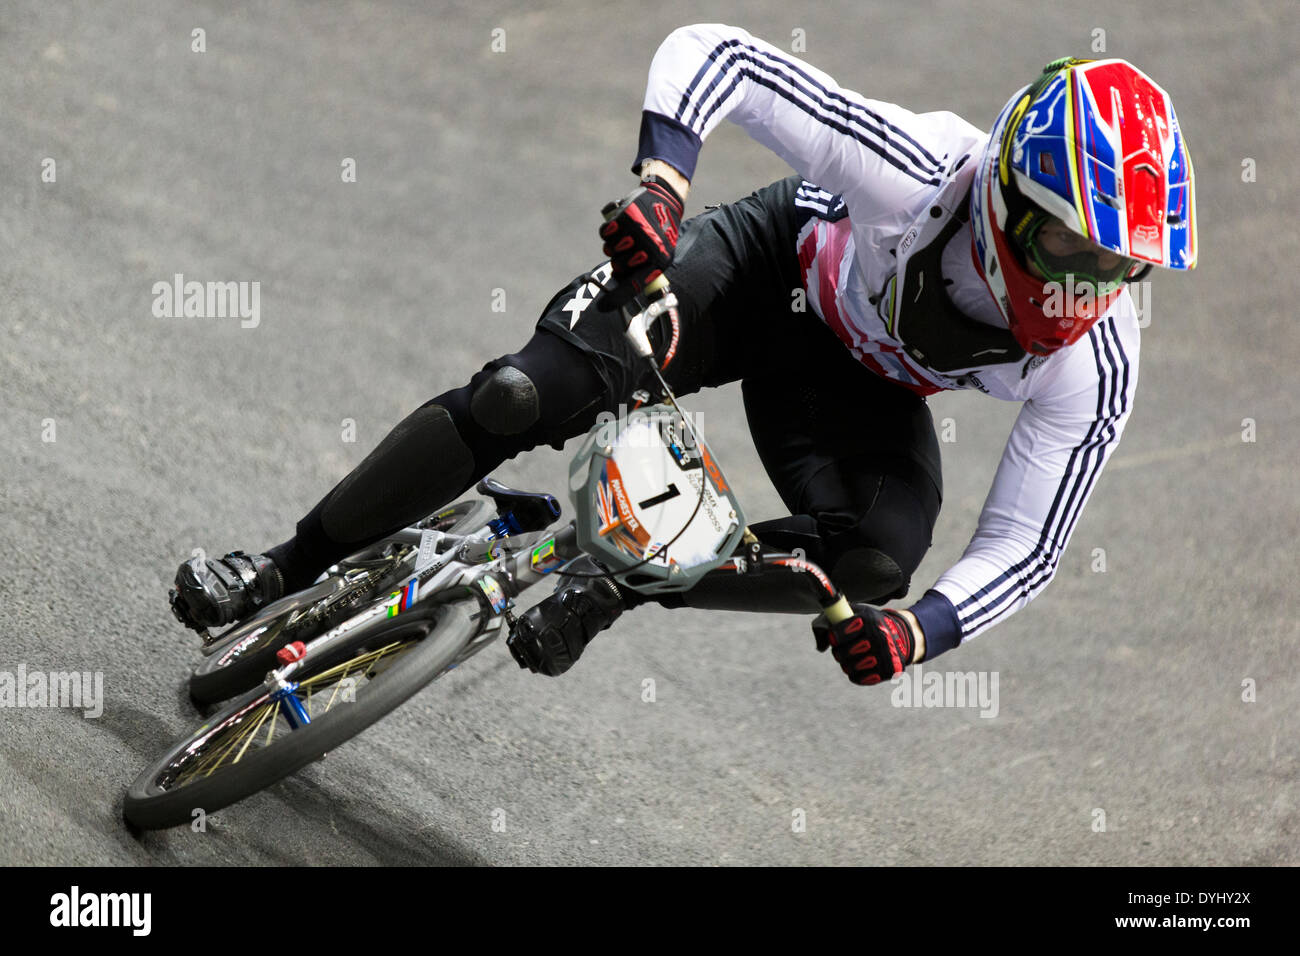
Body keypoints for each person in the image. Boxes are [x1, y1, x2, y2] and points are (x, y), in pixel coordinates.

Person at [170, 24, 1197, 686]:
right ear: (1010, 194)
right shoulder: (923, 166)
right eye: (1070, 241)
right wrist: (663, 186)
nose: (1089, 281)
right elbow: (724, 57)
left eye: (1121, 264)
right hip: (761, 277)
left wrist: (920, 630)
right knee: (526, 392)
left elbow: (1028, 543)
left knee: (871, 565)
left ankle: (619, 578)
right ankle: (276, 568)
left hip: (854, 389)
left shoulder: (1094, 360)